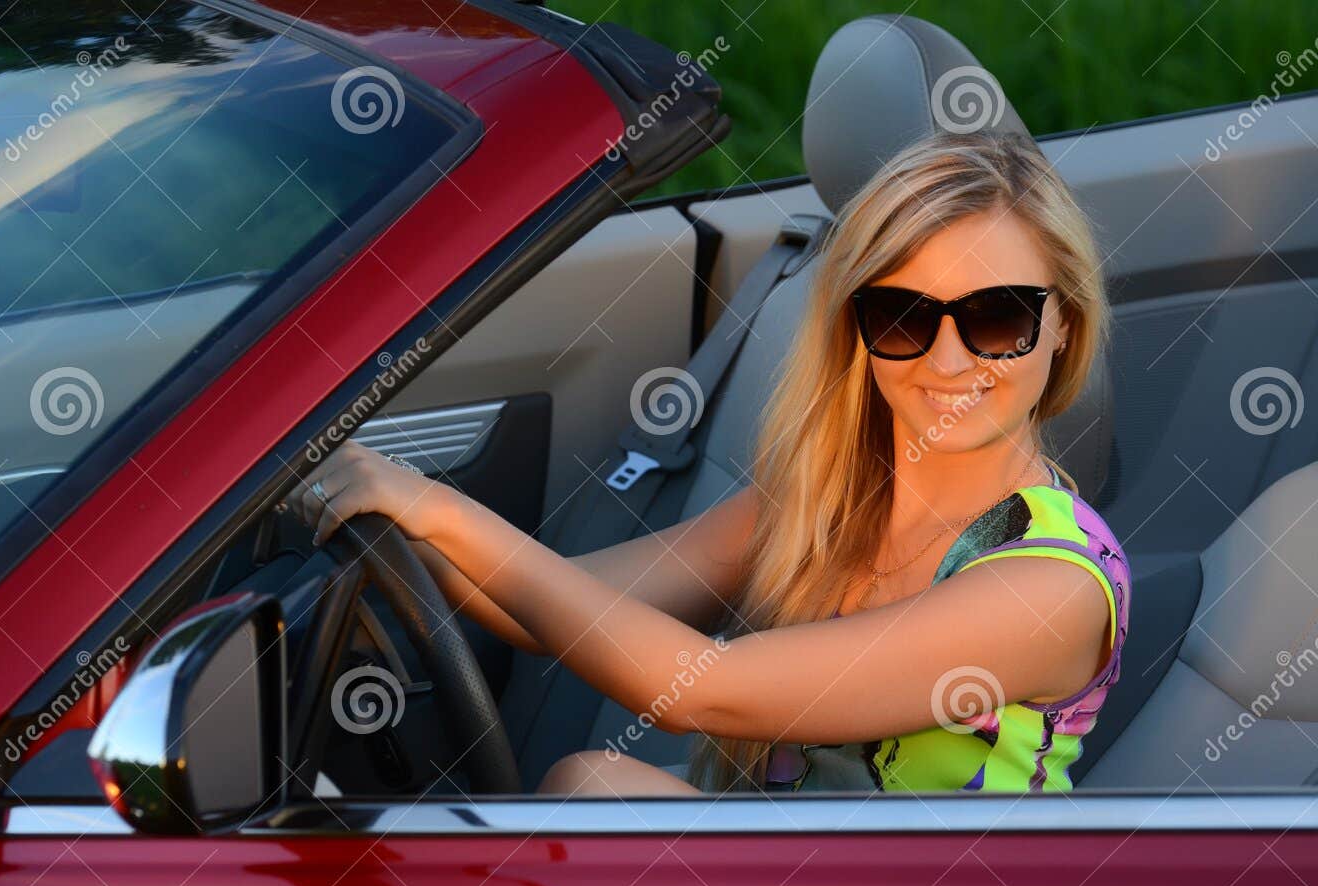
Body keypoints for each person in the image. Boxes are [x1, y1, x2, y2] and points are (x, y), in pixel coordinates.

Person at [293, 130, 1131, 797]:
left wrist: (441, 509)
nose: (947, 361)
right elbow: (549, 604)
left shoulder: (1050, 587)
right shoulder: (827, 499)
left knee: (595, 790)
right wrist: (383, 519)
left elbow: (700, 690)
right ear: (858, 330)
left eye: (997, 317)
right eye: (904, 316)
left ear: (1065, 326)